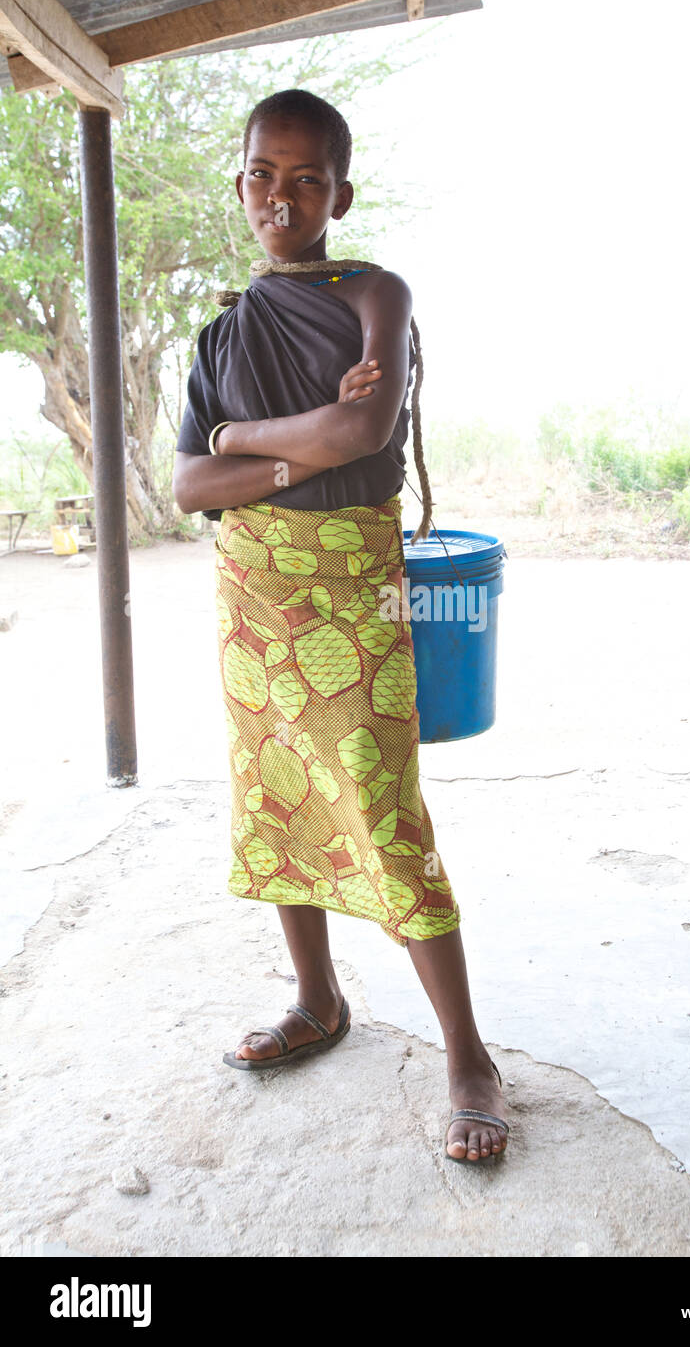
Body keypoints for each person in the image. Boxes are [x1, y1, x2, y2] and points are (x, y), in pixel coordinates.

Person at [172, 89, 508, 1162]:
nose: (281, 198)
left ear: (340, 195)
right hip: (252, 595)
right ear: (240, 184)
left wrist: (243, 440)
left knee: (380, 802)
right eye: (263, 175)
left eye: (306, 179)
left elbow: (365, 427)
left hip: (350, 588)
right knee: (277, 795)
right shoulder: (221, 333)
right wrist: (288, 451)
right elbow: (187, 486)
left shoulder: (374, 292)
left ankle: (468, 1057)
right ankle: (317, 999)